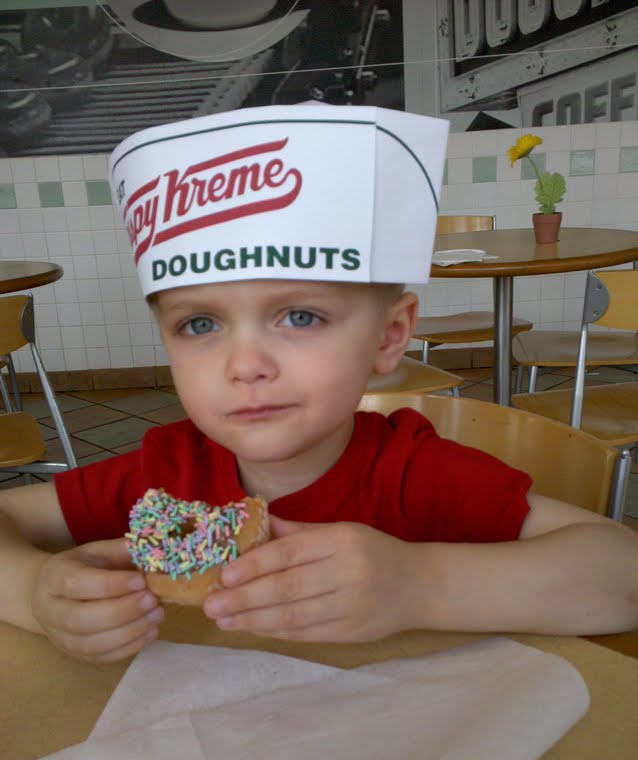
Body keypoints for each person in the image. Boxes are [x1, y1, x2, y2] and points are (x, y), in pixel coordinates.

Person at [0, 104, 636, 663]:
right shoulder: (163, 477)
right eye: (199, 324)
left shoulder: (416, 476)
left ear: (389, 337)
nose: (244, 365)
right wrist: (34, 591)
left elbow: (624, 576)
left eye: (300, 316)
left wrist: (418, 584)